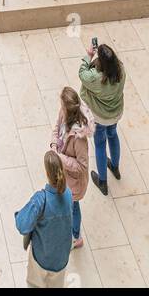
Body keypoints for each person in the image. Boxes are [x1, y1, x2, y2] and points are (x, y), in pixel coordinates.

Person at [14, 152, 75, 289]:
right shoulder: (69, 194)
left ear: (47, 174)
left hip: (41, 257)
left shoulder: (41, 199)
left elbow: (22, 225)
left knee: (34, 284)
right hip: (61, 258)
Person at [79, 42, 125, 196]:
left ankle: (103, 182)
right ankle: (115, 167)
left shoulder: (96, 78)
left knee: (100, 144)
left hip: (100, 117)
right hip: (116, 112)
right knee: (113, 135)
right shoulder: (121, 70)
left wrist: (89, 56)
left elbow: (82, 73)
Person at [50, 86, 92, 248]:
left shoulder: (80, 138)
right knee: (64, 202)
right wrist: (54, 143)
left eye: (62, 106)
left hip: (73, 181)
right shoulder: (63, 114)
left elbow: (82, 166)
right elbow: (56, 128)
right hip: (62, 173)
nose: (60, 109)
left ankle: (76, 236)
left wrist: (60, 158)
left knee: (73, 206)